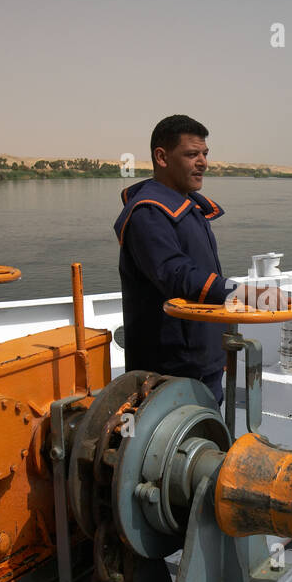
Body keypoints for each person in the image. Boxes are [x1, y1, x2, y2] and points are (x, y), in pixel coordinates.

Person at [114, 115, 236, 404]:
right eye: (192, 154)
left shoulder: (188, 205)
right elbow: (176, 275)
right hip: (171, 370)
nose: (203, 163)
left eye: (205, 154)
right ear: (162, 157)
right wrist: (239, 292)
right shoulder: (149, 213)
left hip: (203, 361)